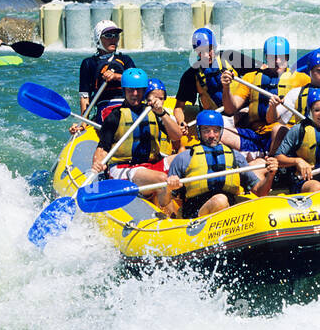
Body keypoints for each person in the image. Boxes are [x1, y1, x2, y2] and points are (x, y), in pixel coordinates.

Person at [92, 68, 183, 209]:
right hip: (125, 168)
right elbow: (103, 148)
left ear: (144, 91)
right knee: (162, 180)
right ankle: (166, 208)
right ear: (124, 91)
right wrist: (98, 163)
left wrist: (162, 113)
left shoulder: (153, 112)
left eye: (139, 90)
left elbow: (177, 135)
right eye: (131, 90)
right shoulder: (115, 116)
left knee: (184, 157)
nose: (135, 94)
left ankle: (187, 197)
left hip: (151, 165)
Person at [165, 110, 278, 219]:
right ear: (199, 132)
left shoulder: (235, 156)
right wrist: (169, 188)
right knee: (220, 200)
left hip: (227, 211)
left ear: (221, 131)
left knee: (258, 204)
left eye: (216, 131)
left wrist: (271, 175)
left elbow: (260, 192)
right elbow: (164, 202)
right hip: (195, 213)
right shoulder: (184, 158)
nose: (212, 135)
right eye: (206, 131)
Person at [222, 36, 308, 155]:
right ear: (266, 57)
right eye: (272, 57)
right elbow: (230, 109)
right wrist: (226, 87)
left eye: (281, 57)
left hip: (284, 136)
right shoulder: (250, 78)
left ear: (287, 57)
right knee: (219, 132)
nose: (277, 61)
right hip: (256, 135)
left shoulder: (302, 79)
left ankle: (273, 160)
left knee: (277, 129)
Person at [72, 20, 134, 134]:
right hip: (104, 106)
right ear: (98, 39)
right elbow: (85, 97)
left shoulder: (126, 60)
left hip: (128, 103)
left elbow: (135, 81)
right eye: (108, 35)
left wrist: (116, 76)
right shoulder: (89, 63)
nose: (114, 39)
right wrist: (84, 121)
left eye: (116, 36)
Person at [174, 26, 237, 133]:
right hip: (214, 119)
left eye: (209, 49)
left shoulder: (231, 57)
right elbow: (178, 107)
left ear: (214, 46)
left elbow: (260, 69)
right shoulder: (191, 74)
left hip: (238, 112)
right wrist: (181, 122)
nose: (206, 55)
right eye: (200, 52)